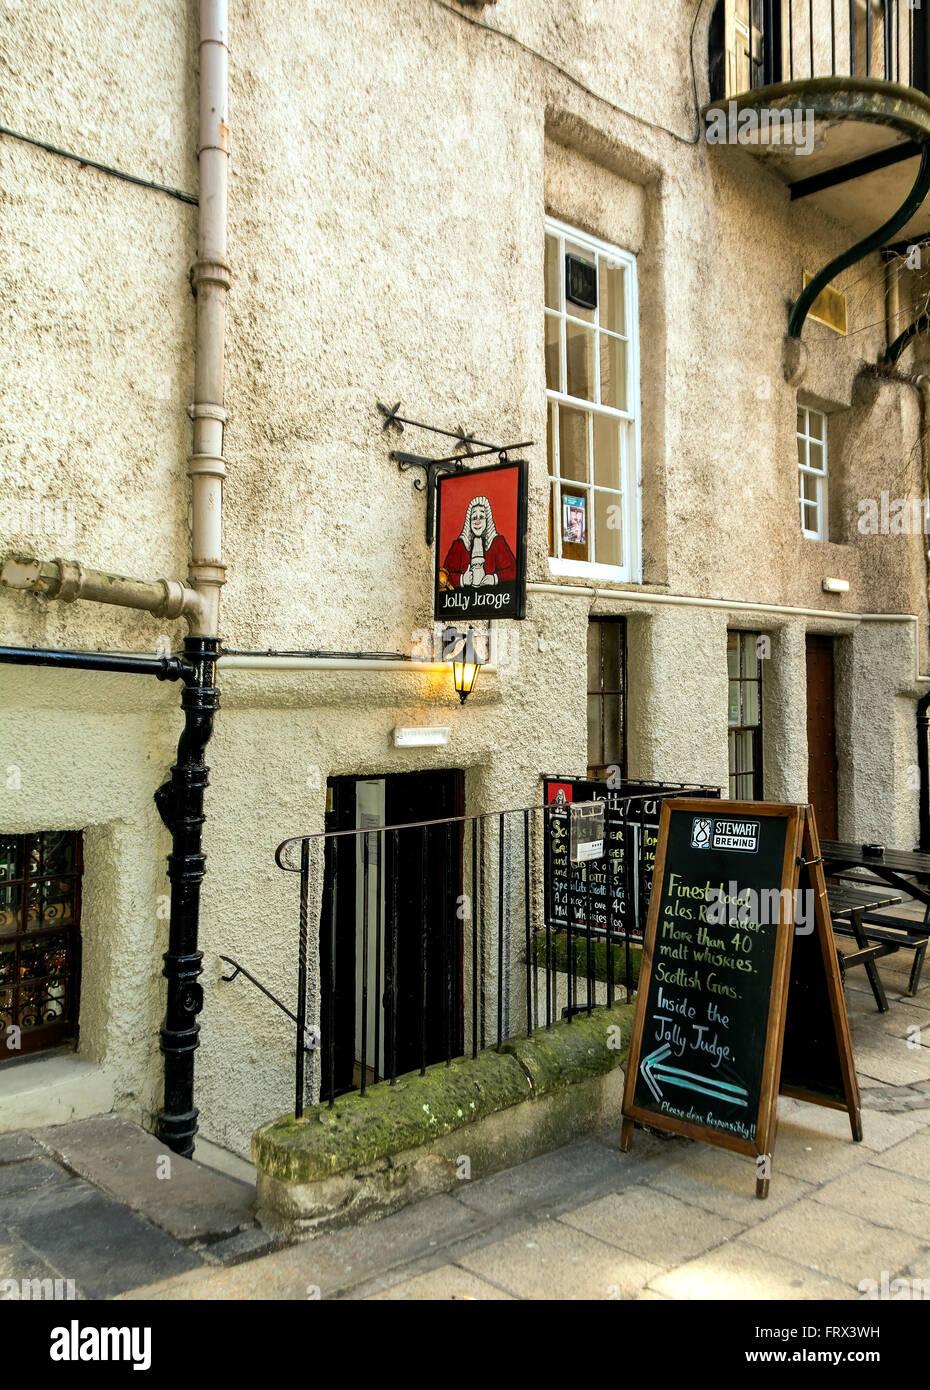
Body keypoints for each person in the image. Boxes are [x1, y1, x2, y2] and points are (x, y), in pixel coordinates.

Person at [442, 495, 516, 589]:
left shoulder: (497, 543)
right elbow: (444, 576)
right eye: (474, 518)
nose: (477, 522)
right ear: (468, 522)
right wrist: (462, 579)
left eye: (481, 517)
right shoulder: (459, 545)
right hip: (464, 599)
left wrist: (494, 578)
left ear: (487, 520)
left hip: (492, 598)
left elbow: (513, 571)